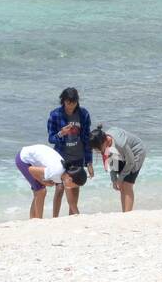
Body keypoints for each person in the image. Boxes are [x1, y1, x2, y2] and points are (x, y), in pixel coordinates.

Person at [47, 88, 94, 217]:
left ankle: (71, 217)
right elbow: (51, 138)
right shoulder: (55, 115)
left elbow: (86, 139)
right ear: (63, 101)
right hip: (61, 157)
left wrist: (89, 162)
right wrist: (62, 133)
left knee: (75, 187)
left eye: (73, 103)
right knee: (60, 188)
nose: (71, 106)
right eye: (68, 103)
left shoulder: (83, 114)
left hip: (78, 157)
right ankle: (55, 217)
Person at [15, 143, 87, 220]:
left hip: (33, 155)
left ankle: (33, 218)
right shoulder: (56, 172)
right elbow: (31, 170)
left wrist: (77, 215)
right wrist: (43, 182)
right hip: (23, 158)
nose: (72, 188)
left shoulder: (66, 173)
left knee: (38, 191)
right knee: (41, 191)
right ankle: (39, 220)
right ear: (70, 179)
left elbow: (71, 201)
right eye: (74, 186)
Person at [89, 125, 145, 213]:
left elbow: (131, 162)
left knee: (127, 184)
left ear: (105, 142)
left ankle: (128, 214)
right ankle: (124, 213)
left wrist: (121, 178)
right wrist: (114, 180)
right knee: (121, 185)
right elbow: (111, 161)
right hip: (118, 154)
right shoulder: (105, 143)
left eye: (98, 149)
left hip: (135, 153)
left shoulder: (120, 143)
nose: (97, 151)